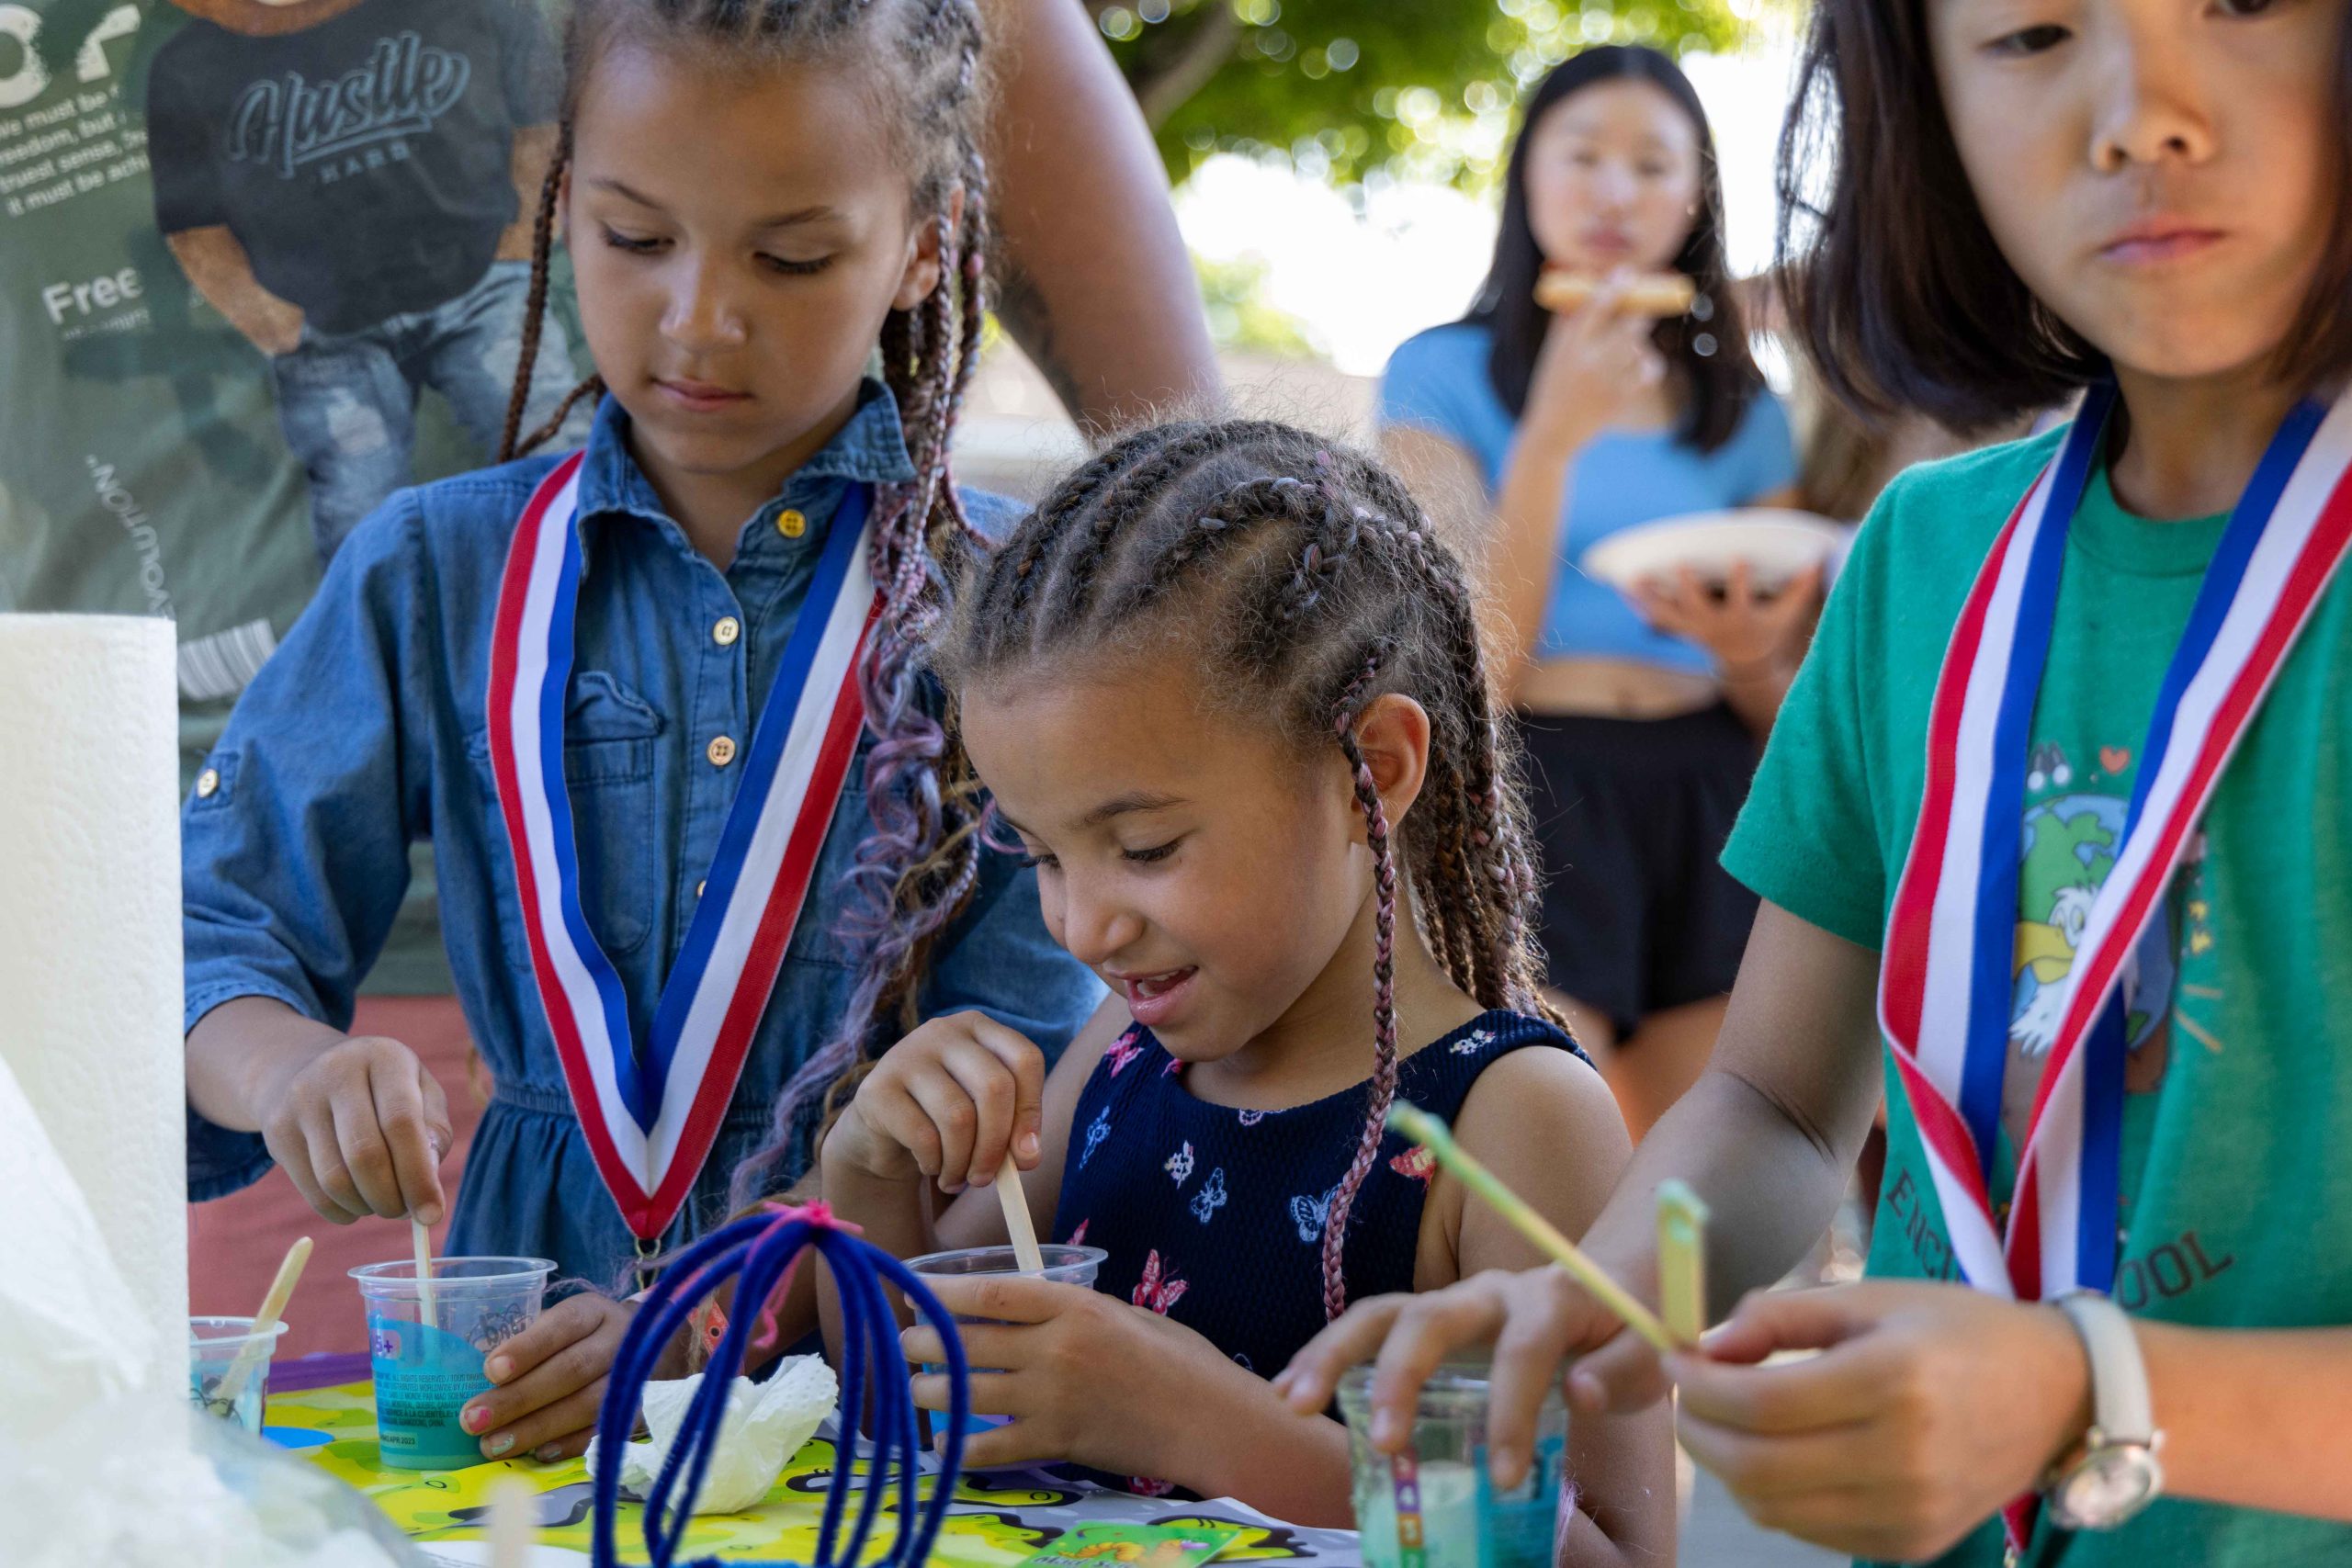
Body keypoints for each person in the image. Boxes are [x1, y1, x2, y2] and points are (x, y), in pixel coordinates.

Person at [1283, 2, 2352, 1563]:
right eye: (2036, 31)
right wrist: (1590, 1297)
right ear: (1919, 108)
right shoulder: (1920, 558)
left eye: (2243, 3)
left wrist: (2088, 1391)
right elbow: (1782, 1104)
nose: (2144, 113)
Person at [179, 0, 1104, 1465]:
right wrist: (290, 1068)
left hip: (866, 1420)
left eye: (791, 256)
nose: (699, 317)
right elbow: (201, 926)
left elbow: (1053, 1102)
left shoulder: (1026, 614)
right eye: (631, 237)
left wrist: (711, 1316)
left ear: (926, 240)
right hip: (514, 1392)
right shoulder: (436, 570)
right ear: (555, 206)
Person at [816, 420, 1673, 1557]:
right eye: (1044, 855)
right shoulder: (1123, 1053)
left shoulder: (1513, 1121)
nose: (1081, 924)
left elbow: (1617, 1552)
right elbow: (918, 1377)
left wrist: (1213, 1427)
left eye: (1147, 847)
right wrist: (866, 1171)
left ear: (1374, 768)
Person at [1374, 46, 1811, 1135]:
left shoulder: (1742, 411)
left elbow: (1789, 714)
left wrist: (1747, 650)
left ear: (1698, 198)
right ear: (1527, 176)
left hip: (1712, 789)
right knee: (1570, 1158)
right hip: (1529, 780)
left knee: (1707, 1178)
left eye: (1653, 166)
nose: (1616, 192)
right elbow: (1475, 669)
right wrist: (1554, 437)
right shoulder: (1436, 375)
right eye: (1584, 157)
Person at [146, 0, 594, 565]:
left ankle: (619, 584)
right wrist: (265, 316)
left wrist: (520, 243)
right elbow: (192, 223)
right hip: (324, 332)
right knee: (357, 507)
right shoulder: (186, 66)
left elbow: (542, 125)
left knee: (559, 451)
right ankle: (381, 644)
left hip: (483, 288)